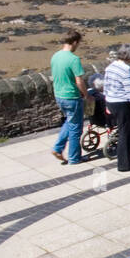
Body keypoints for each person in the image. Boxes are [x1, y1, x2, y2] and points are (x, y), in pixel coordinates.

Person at [103, 43, 130, 172]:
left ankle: (127, 158)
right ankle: (124, 164)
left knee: (128, 130)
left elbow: (106, 86)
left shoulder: (110, 67)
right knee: (125, 133)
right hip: (122, 104)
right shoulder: (125, 70)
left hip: (111, 102)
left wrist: (107, 104)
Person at [49, 30, 88, 166]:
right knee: (76, 129)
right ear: (75, 42)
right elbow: (79, 81)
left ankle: (58, 148)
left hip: (59, 95)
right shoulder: (73, 59)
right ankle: (74, 158)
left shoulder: (55, 56)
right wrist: (86, 95)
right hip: (72, 97)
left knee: (70, 121)